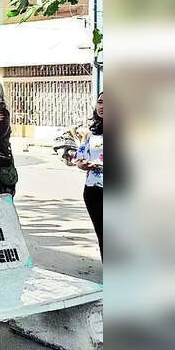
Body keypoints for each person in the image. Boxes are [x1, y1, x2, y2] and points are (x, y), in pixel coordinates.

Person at [76, 92, 103, 259]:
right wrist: (83, 164)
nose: (102, 106)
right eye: (100, 102)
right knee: (103, 235)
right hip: (93, 190)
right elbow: (79, 157)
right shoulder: (93, 133)